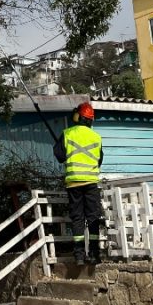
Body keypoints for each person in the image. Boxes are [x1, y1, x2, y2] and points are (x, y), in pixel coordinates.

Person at [53, 101, 104, 266]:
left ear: (78, 117)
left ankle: (79, 256)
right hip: (91, 182)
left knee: (77, 219)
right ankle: (95, 254)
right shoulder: (96, 137)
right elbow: (100, 159)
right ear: (91, 120)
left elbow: (60, 156)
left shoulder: (68, 133)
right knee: (93, 217)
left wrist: (59, 146)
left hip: (74, 183)